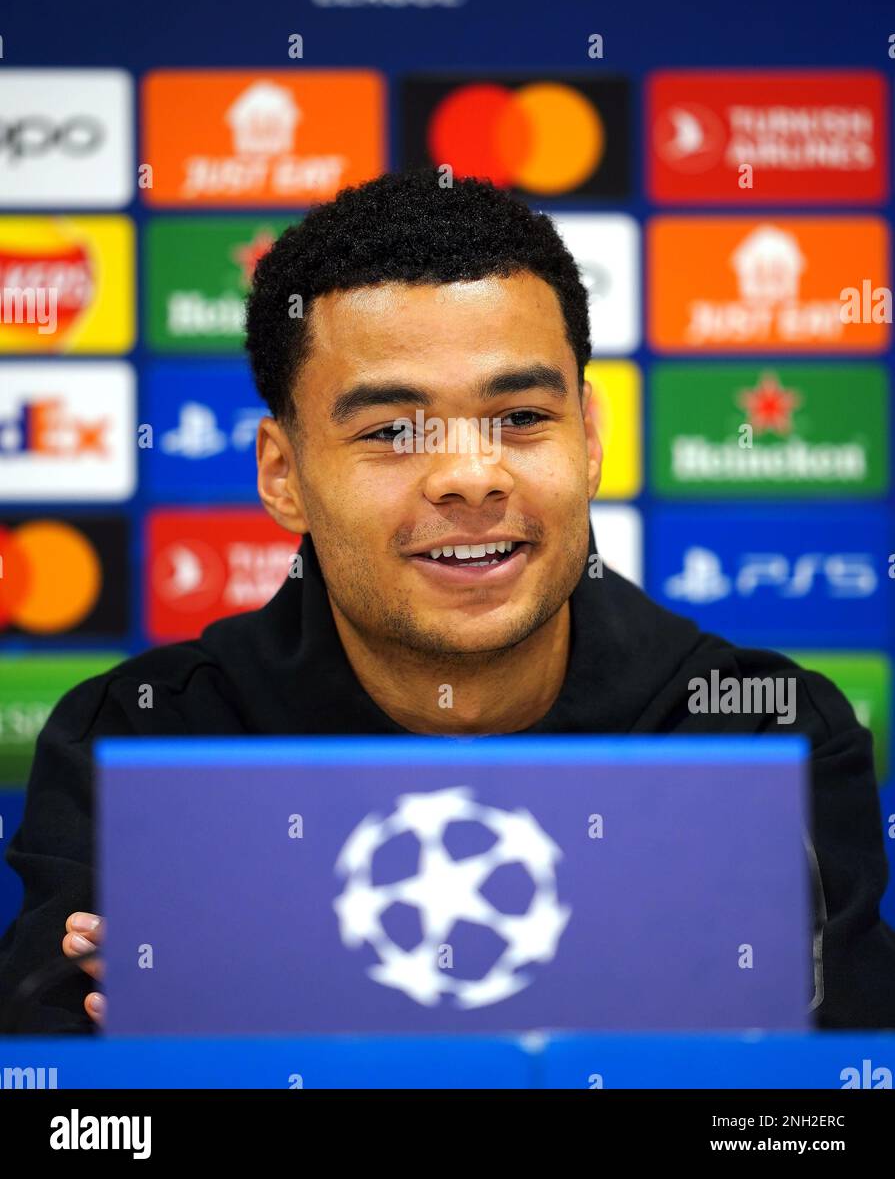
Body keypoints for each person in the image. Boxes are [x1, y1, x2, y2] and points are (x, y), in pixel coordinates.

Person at [1, 169, 894, 1033]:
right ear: (283, 475)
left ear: (588, 439)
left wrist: (294, 1016)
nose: (472, 475)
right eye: (392, 431)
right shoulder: (142, 737)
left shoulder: (758, 734)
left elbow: (810, 1122)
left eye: (520, 418)